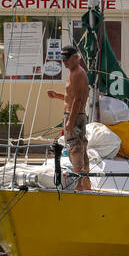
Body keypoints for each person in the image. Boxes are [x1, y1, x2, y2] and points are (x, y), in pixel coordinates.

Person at [45, 46, 91, 190]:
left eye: (67, 59)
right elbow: (71, 96)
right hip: (76, 114)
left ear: (75, 57)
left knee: (74, 147)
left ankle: (79, 185)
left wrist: (70, 120)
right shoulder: (74, 72)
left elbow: (78, 99)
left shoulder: (77, 73)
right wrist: (57, 95)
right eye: (63, 60)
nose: (65, 62)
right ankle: (86, 183)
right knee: (81, 147)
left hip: (74, 115)